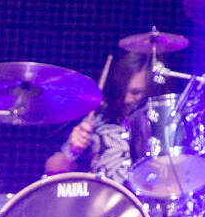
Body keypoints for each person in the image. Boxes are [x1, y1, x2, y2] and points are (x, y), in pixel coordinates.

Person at [44, 52, 156, 185]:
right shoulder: (98, 121)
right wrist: (71, 151)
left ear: (152, 90)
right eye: (122, 91)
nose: (126, 99)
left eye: (135, 92)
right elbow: (51, 170)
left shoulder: (162, 126)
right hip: (100, 201)